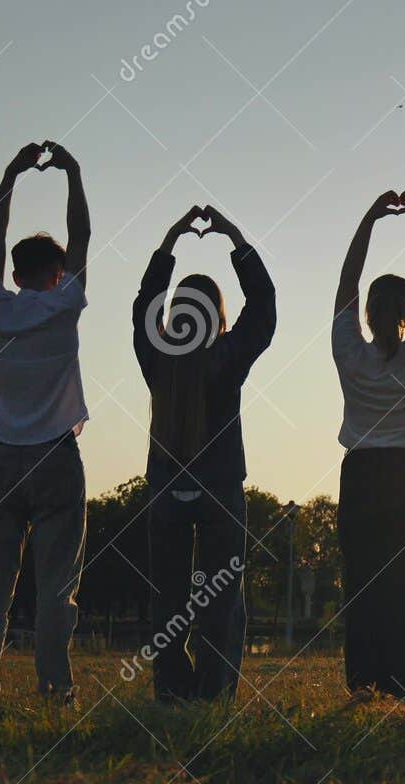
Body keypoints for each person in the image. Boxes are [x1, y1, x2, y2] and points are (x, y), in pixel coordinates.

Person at [133, 205, 276, 703]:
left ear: (173, 316)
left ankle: (172, 689)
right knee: (220, 598)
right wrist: (233, 237)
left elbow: (143, 300)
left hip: (166, 487)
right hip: (218, 489)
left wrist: (171, 240)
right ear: (218, 316)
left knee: (167, 596)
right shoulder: (227, 358)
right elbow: (263, 304)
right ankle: (213, 693)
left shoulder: (156, 356)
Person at [0, 140, 91, 709]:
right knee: (55, 586)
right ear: (59, 273)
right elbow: (83, 234)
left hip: (3, 457)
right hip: (56, 458)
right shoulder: (63, 306)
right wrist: (72, 173)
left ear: (14, 273)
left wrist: (11, 175)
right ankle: (54, 689)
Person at [332, 190, 405, 702]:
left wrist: (369, 218)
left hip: (361, 476)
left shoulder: (349, 350)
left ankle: (362, 685)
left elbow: (345, 281)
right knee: (404, 587)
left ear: (368, 311)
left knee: (361, 584)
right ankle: (399, 688)